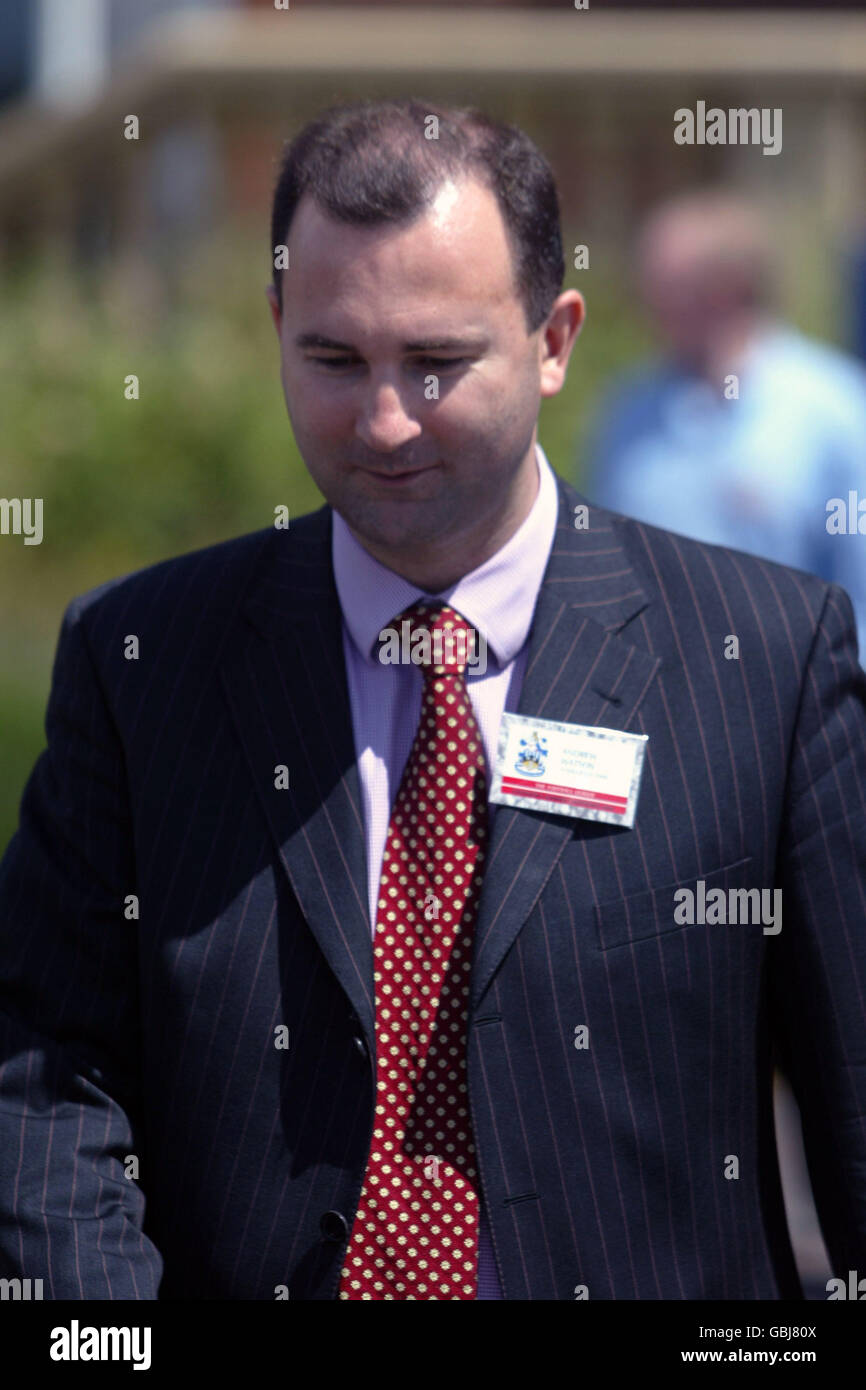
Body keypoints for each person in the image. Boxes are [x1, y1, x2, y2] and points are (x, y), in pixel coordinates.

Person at [1, 99, 864, 1302]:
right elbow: (48, 1066)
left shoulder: (763, 662)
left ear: (552, 340)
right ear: (276, 328)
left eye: (437, 363)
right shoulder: (144, 662)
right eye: (335, 360)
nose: (385, 421)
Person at [585, 188, 866, 656]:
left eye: (667, 281)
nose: (644, 298)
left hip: (797, 710)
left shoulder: (836, 410)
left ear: (730, 285)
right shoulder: (626, 410)